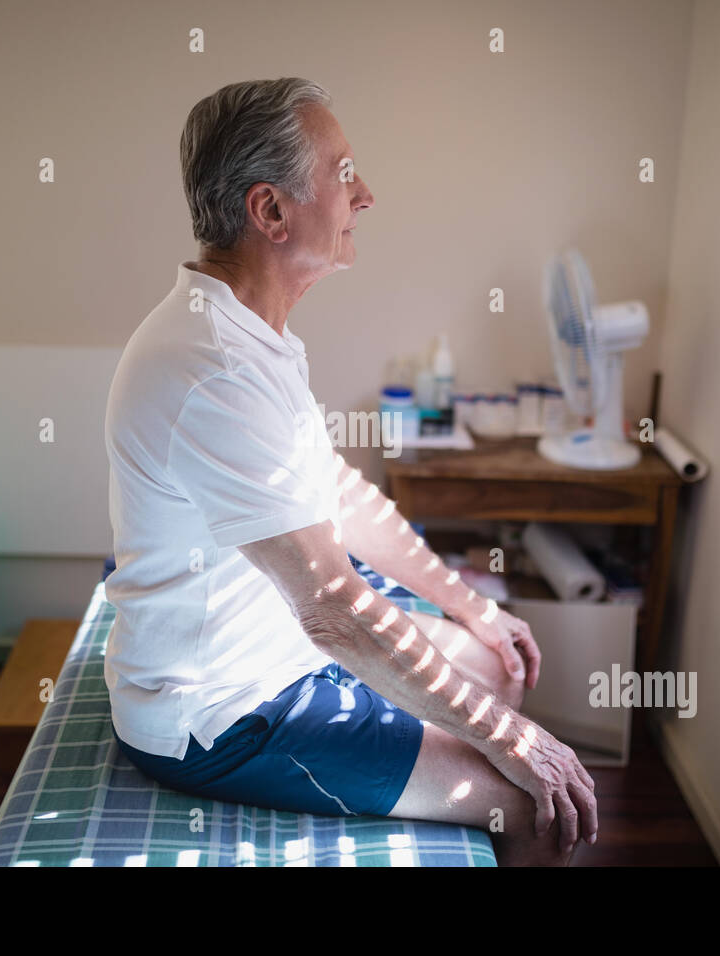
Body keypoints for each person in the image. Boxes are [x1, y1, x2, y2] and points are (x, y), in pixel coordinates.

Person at [103, 78, 596, 865]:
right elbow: (333, 607)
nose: (365, 194)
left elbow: (339, 493)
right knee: (529, 806)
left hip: (282, 648)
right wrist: (509, 742)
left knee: (491, 659)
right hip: (224, 710)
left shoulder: (251, 335)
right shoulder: (211, 370)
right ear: (270, 212)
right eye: (342, 173)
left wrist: (473, 608)